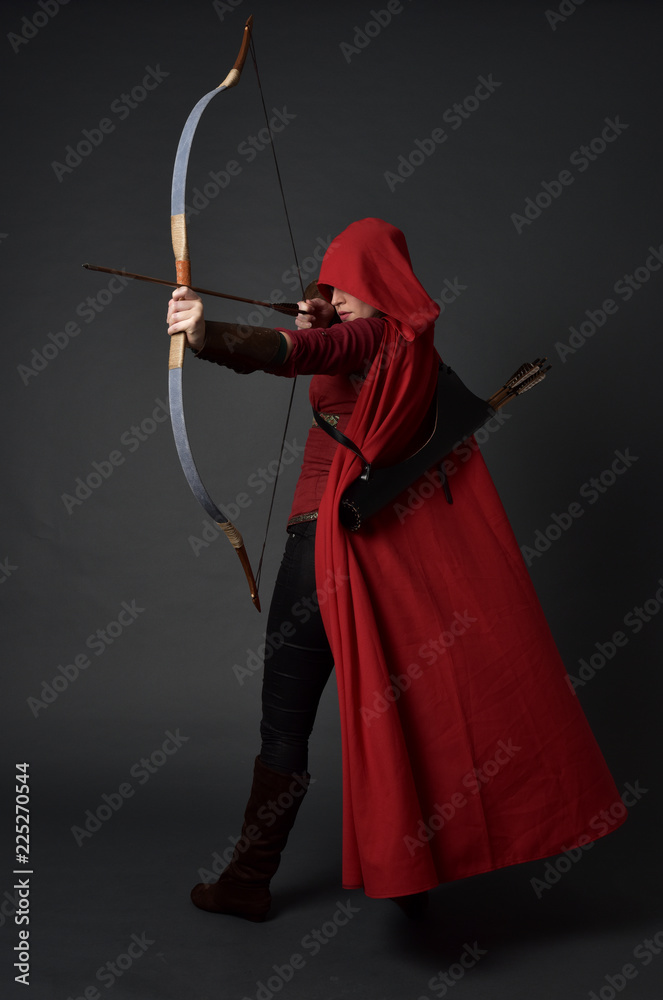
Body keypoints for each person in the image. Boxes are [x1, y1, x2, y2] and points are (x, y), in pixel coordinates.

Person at [166, 218, 628, 922]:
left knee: (284, 723)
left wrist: (205, 335)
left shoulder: (370, 336)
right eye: (327, 286)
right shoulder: (409, 346)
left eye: (345, 284)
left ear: (377, 283)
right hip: (362, 554)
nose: (333, 296)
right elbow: (321, 347)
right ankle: (400, 868)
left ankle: (247, 881)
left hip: (319, 548)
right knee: (384, 710)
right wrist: (317, 319)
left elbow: (296, 351)